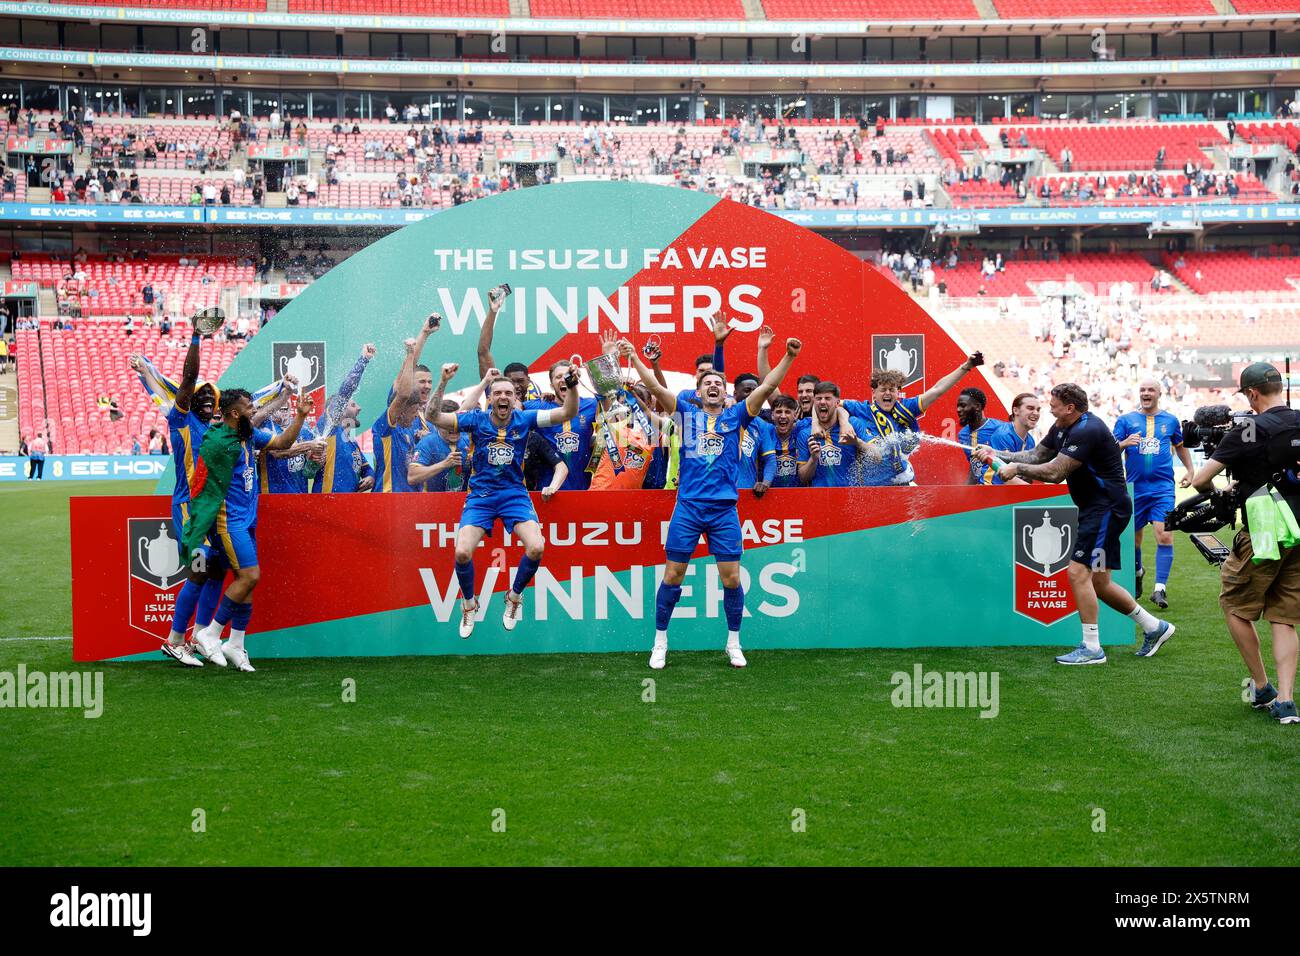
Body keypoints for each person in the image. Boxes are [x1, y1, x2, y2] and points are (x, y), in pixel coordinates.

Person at [621, 334, 801, 670]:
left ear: (725, 392)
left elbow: (766, 387)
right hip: (688, 507)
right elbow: (657, 390)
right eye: (708, 383)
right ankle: (660, 641)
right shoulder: (685, 413)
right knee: (673, 574)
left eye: (719, 382)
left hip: (723, 510)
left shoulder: (738, 416)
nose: (714, 385)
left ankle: (733, 642)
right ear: (699, 392)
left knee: (732, 578)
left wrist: (789, 357)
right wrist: (633, 358)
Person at [975, 383, 1175, 664]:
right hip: (1100, 508)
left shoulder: (1087, 429)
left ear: (1070, 407)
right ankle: (1155, 627)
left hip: (1105, 508)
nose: (1048, 406)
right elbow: (1037, 456)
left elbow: (1055, 472)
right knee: (1101, 582)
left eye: (1053, 402)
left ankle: (1092, 648)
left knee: (1077, 573)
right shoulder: (1061, 426)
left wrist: (1016, 468)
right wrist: (998, 455)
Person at [426, 365, 580, 637]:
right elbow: (433, 415)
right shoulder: (476, 420)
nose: (503, 396)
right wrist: (442, 381)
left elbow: (568, 412)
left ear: (514, 397)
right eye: (497, 392)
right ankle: (469, 603)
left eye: (508, 392)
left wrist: (573, 385)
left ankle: (513, 596)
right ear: (490, 398)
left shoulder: (525, 419)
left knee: (536, 547)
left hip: (514, 495)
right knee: (462, 553)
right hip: (481, 496)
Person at [1188, 362, 1300, 724]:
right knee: (1284, 616)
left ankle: (1262, 685)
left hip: (1264, 530)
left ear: (1251, 393)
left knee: (1235, 604)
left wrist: (1221, 491)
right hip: (1299, 530)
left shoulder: (1247, 427)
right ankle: (1286, 701)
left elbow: (1202, 480)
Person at [185, 389, 315, 672]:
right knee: (250, 575)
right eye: (249, 406)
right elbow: (201, 486)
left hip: (246, 519)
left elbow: (281, 441)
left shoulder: (247, 435)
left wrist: (301, 416)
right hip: (227, 521)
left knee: (247, 582)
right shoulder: (218, 441)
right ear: (234, 413)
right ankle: (209, 633)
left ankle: (236, 644)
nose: (254, 410)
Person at [1113, 378, 1194, 609]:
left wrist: (1190, 469)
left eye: (1151, 390)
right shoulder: (1126, 420)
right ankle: (1138, 572)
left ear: (1159, 393)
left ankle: (1160, 589)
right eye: (1142, 390)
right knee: (1134, 540)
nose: (1146, 393)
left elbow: (1180, 446)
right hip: (1134, 489)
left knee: (1165, 534)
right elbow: (1109, 449)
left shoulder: (1170, 420)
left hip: (1163, 489)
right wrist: (1124, 443)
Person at [852, 353, 985, 486]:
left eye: (892, 389)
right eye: (883, 390)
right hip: (873, 487)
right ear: (873, 393)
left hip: (902, 482)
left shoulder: (906, 408)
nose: (887, 393)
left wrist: (967, 366)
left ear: (898, 392)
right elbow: (836, 405)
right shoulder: (861, 409)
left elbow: (937, 390)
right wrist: (845, 421)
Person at [371, 314, 439, 493]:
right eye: (421, 381)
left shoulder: (425, 422)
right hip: (389, 499)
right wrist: (423, 334)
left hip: (417, 502)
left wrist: (428, 442)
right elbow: (404, 388)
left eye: (429, 382)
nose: (427, 386)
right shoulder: (391, 413)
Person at [313, 343, 378, 494]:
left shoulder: (351, 442)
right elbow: (346, 390)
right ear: (339, 411)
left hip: (348, 507)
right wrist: (363, 360)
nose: (359, 408)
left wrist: (371, 477)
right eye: (353, 404)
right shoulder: (329, 429)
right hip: (327, 504)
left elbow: (366, 469)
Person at [796, 382, 875, 487]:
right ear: (814, 402)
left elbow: (877, 456)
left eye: (827, 398)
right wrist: (813, 459)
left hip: (849, 497)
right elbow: (803, 478)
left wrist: (857, 442)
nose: (822, 402)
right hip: (819, 498)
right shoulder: (806, 434)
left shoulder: (852, 425)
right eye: (818, 399)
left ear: (837, 403)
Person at [986, 392, 1039, 485]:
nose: (1036, 413)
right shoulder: (1003, 435)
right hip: (992, 491)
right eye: (1030, 408)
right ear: (1016, 411)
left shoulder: (1030, 441)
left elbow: (1028, 476)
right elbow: (1007, 478)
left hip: (1011, 493)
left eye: (1038, 410)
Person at [956, 387, 1006, 486]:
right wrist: (965, 493)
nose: (958, 410)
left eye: (963, 406)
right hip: (981, 494)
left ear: (978, 406)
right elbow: (975, 467)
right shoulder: (963, 435)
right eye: (958, 406)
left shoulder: (1000, 429)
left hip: (1002, 493)